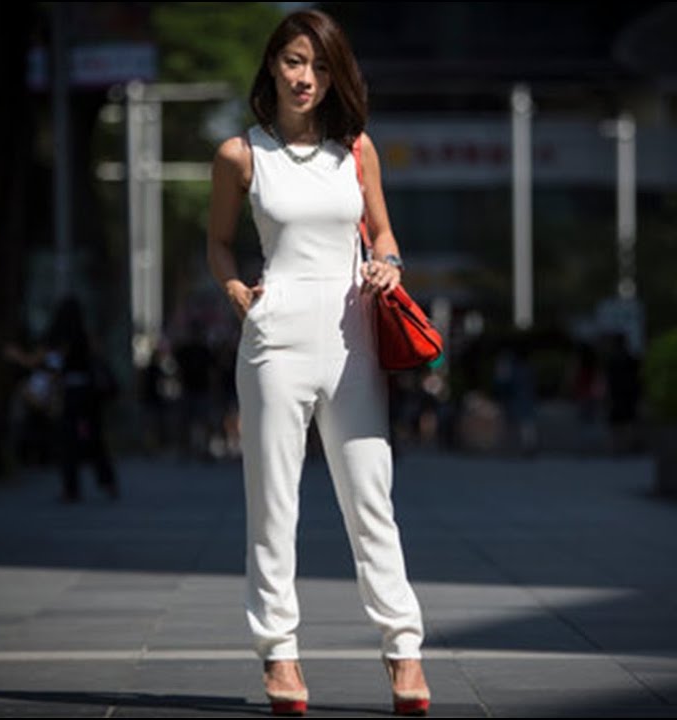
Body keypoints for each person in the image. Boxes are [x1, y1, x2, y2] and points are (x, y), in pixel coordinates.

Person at [206, 10, 430, 715]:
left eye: (322, 66)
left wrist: (389, 266)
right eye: (296, 61)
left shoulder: (355, 149)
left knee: (372, 501)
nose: (307, 78)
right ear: (272, 64)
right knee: (273, 505)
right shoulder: (240, 155)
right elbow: (216, 244)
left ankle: (404, 650)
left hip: (352, 336)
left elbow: (385, 233)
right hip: (274, 342)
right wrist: (239, 293)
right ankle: (279, 655)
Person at [5, 296, 119, 503]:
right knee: (95, 439)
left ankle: (71, 488)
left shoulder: (57, 339)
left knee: (68, 442)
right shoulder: (86, 337)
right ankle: (107, 481)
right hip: (90, 393)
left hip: (69, 393)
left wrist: (15, 355)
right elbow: (97, 358)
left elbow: (37, 362)